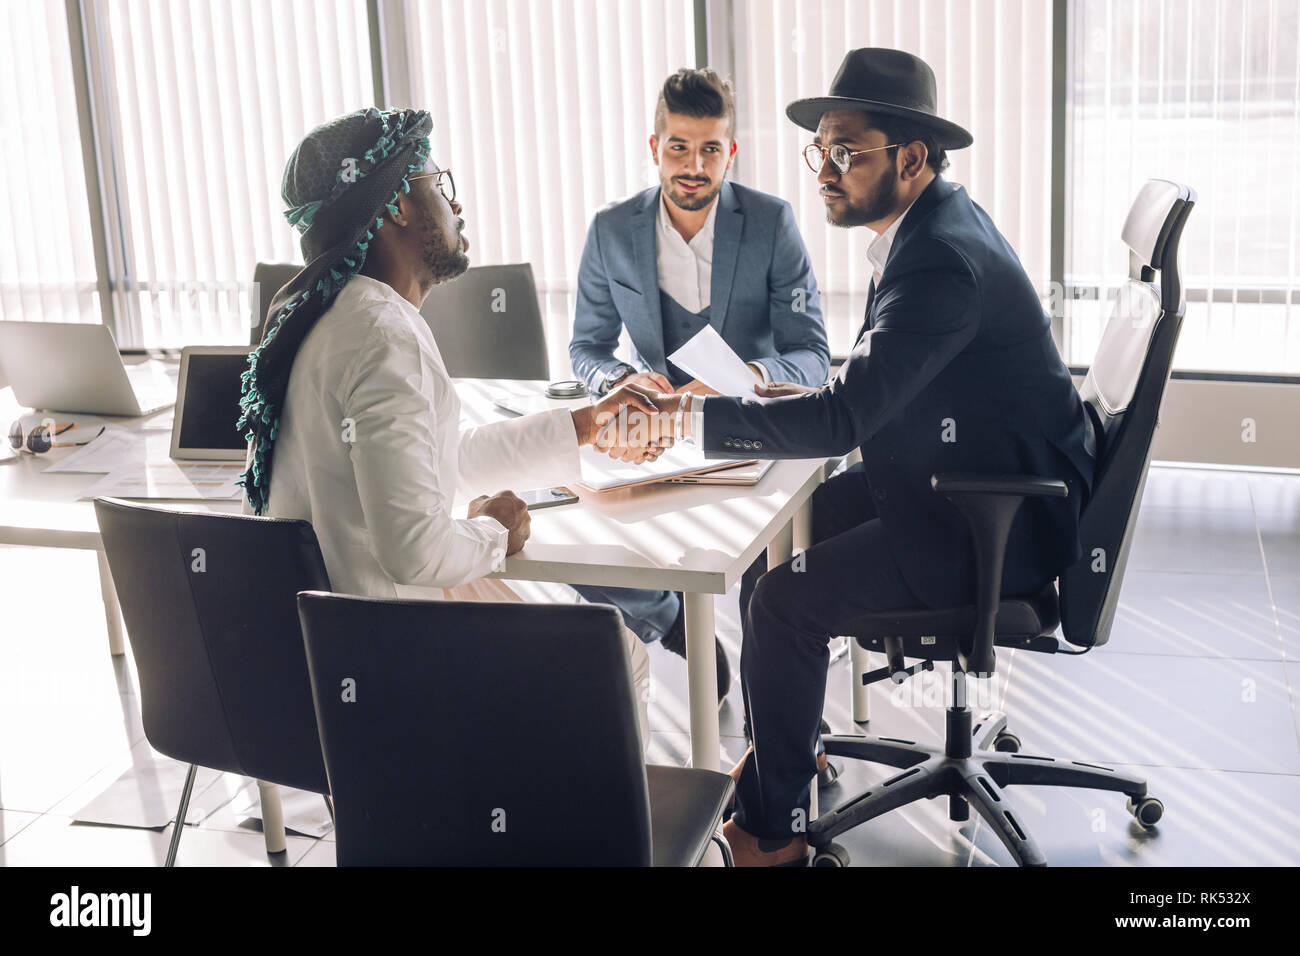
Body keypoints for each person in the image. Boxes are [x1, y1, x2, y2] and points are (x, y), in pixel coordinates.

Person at [634, 48, 1098, 864]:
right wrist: (771, 401)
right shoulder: (933, 225)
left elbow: (844, 419)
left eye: (848, 152)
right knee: (767, 550)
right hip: (951, 480)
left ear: (911, 159)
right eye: (822, 150)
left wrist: (692, 420)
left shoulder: (941, 261)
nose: (826, 170)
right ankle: (792, 755)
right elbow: (884, 378)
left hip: (990, 524)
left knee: (784, 602)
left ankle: (772, 835)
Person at [238, 107, 660, 751]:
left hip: (325, 652)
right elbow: (414, 550)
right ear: (400, 205)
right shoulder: (383, 337)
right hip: (394, 660)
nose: (455, 208)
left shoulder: (326, 315)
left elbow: (432, 465)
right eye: (439, 185)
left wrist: (582, 425)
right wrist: (494, 529)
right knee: (614, 656)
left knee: (588, 633)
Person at [568, 68, 831, 705]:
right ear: (654, 147)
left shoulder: (771, 223)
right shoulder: (611, 231)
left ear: (730, 152)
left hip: (753, 435)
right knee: (576, 537)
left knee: (762, 582)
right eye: (679, 147)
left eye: (710, 148)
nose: (694, 165)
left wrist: (752, 383)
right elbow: (586, 348)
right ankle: (672, 619)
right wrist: (622, 379)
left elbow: (813, 355)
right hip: (656, 432)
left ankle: (783, 728)